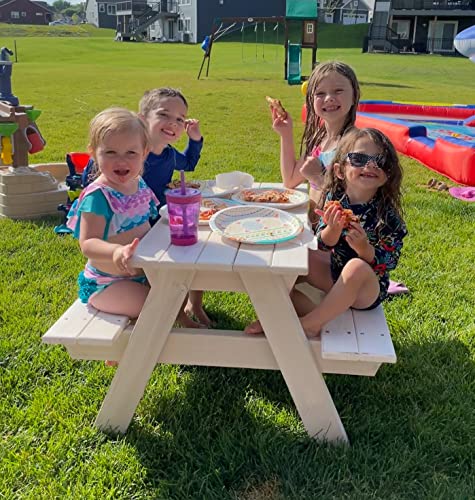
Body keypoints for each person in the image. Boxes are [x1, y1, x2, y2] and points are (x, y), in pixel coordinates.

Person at [246, 127, 407, 337]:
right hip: (333, 274)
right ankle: (280, 314)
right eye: (359, 158)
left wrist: (364, 249)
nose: (370, 165)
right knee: (299, 257)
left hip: (365, 289)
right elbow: (323, 244)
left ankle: (310, 324)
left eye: (380, 161)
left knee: (356, 267)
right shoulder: (335, 198)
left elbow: (389, 261)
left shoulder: (387, 215)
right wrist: (332, 229)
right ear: (340, 171)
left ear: (388, 174)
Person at [66, 107, 158, 319]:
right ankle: (132, 351)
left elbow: (145, 224)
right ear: (94, 153)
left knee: (177, 289)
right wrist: (116, 251)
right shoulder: (99, 196)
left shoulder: (138, 184)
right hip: (109, 283)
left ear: (144, 152)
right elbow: (88, 242)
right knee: (156, 306)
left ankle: (184, 316)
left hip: (144, 273)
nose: (122, 161)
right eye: (110, 152)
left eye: (131, 153)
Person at [138, 87, 211, 327]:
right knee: (171, 268)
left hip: (168, 220)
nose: (173, 123)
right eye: (164, 115)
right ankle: (176, 312)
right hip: (141, 227)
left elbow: (189, 163)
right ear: (142, 118)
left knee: (197, 251)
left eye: (180, 119)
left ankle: (195, 304)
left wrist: (195, 138)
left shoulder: (168, 154)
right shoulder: (134, 155)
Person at [270, 61, 360, 226]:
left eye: (338, 91)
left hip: (337, 242)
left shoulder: (355, 147)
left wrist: (319, 177)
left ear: (354, 95)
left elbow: (354, 204)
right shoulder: (320, 140)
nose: (329, 98)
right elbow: (290, 180)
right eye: (320, 93)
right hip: (313, 231)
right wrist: (286, 134)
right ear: (311, 100)